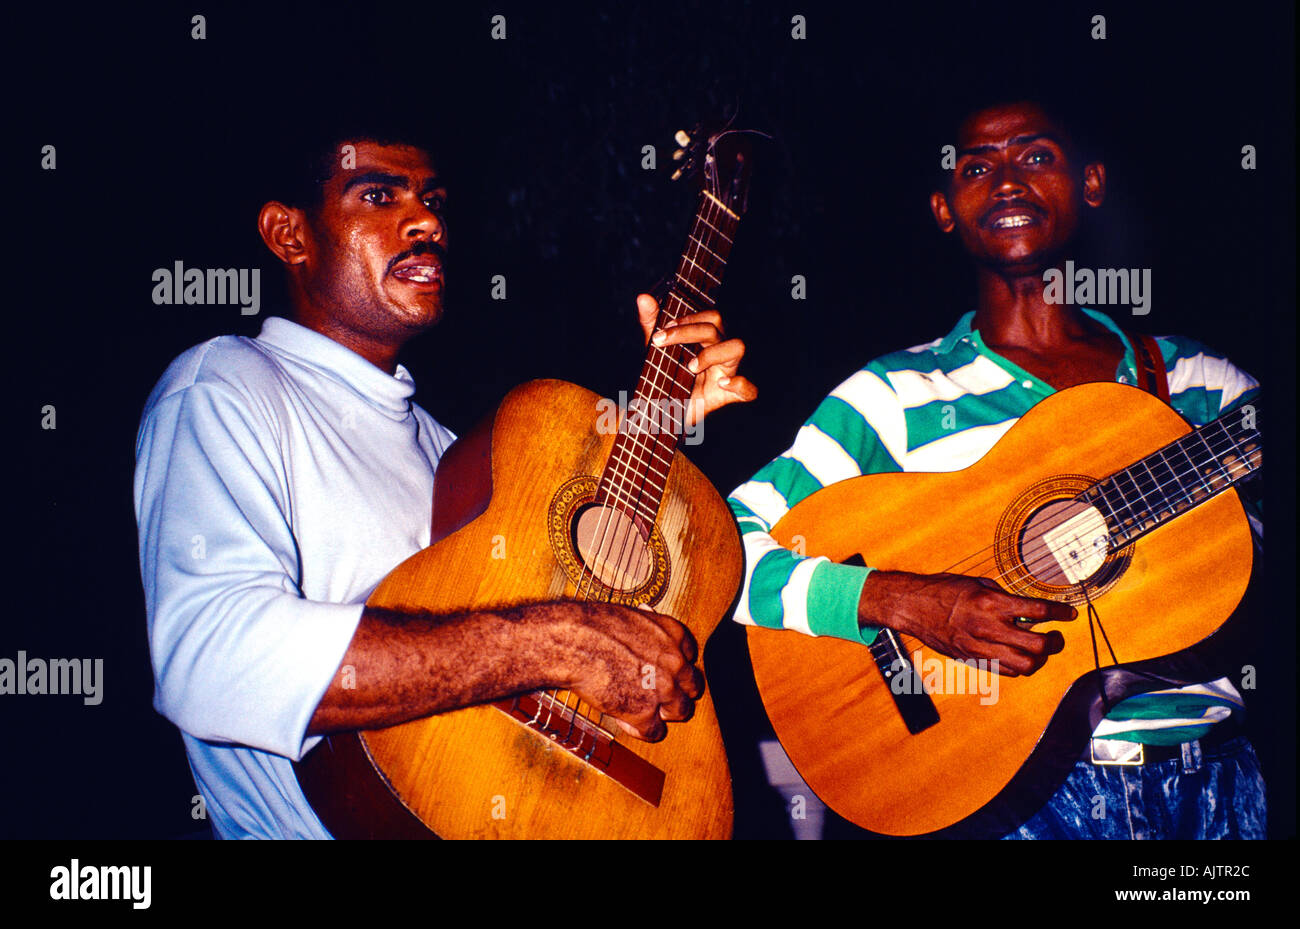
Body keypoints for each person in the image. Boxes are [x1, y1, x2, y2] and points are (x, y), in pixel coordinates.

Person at [133, 129, 757, 839]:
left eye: (433, 200)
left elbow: (561, 632)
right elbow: (212, 657)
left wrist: (658, 424)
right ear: (288, 234)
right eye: (378, 195)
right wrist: (556, 643)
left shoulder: (458, 452)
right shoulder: (226, 384)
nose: (428, 220)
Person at [728, 100, 1265, 839]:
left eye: (1037, 156)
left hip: (1216, 794)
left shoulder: (1201, 384)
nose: (1008, 180)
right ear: (945, 210)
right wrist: (900, 601)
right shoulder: (892, 397)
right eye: (977, 167)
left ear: (1093, 183)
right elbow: (726, 549)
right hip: (1020, 806)